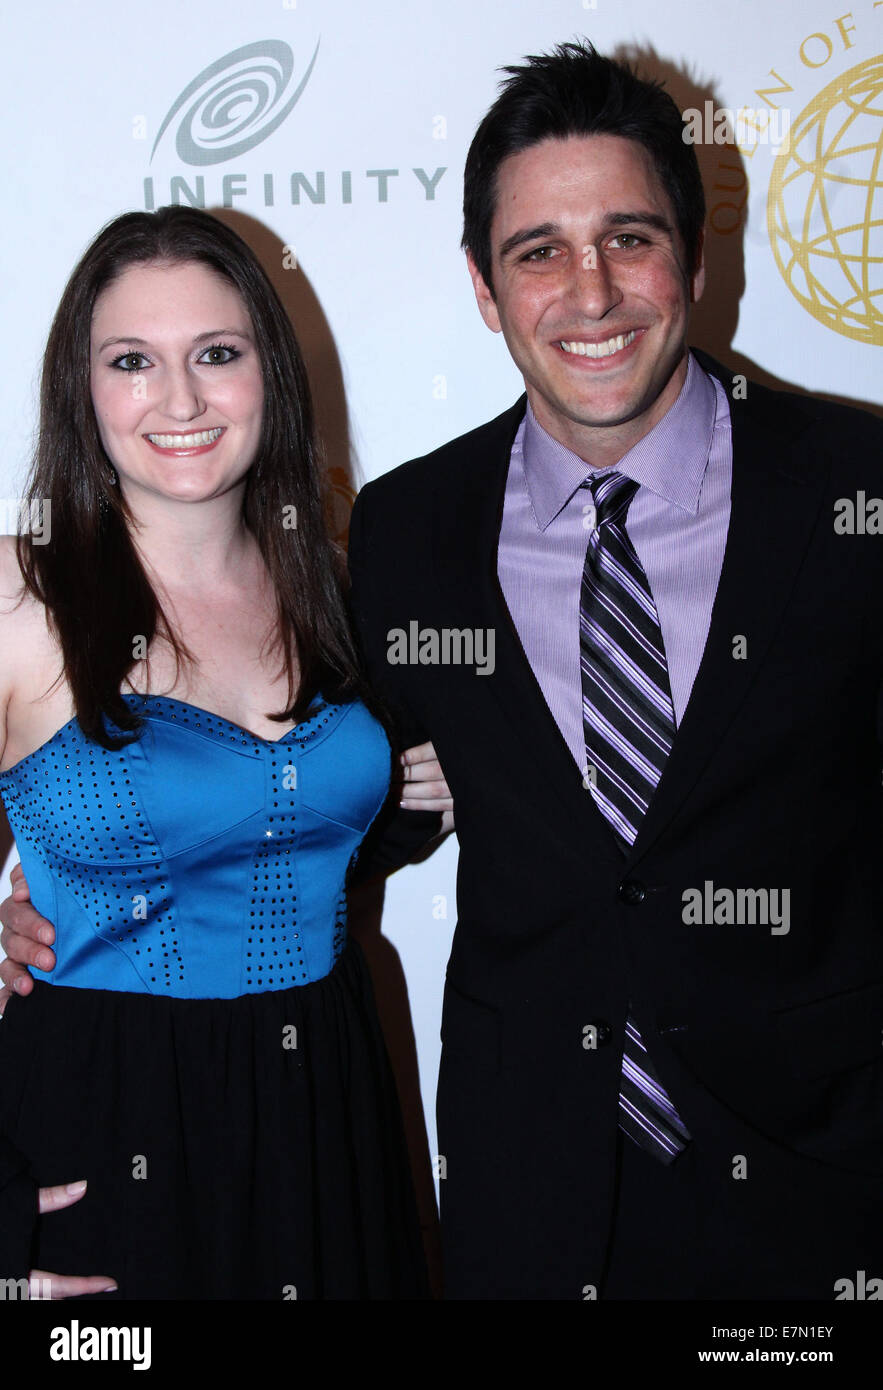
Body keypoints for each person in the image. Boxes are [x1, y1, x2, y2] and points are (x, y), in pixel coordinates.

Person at [5, 40, 883, 1302]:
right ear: (482, 285)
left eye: (629, 238)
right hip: (521, 1204)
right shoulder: (411, 535)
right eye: (537, 252)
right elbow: (340, 819)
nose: (589, 292)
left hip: (812, 1201)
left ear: (694, 255)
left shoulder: (851, 498)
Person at [0, 204, 451, 1299]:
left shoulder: (347, 591)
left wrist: (415, 793)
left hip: (327, 1123)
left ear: (268, 374)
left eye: (216, 353)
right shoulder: (20, 594)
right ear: (83, 391)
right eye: (131, 362)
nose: (182, 399)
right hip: (100, 1135)